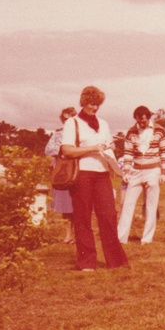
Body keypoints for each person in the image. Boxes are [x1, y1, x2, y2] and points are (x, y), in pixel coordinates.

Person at [60, 86, 128, 271]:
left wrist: (109, 149)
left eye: (98, 104)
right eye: (91, 103)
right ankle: (86, 262)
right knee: (82, 219)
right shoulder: (72, 123)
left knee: (108, 216)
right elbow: (66, 150)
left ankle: (115, 261)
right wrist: (92, 148)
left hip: (102, 174)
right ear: (83, 102)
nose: (95, 107)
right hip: (82, 174)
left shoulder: (104, 124)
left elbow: (106, 148)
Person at [117, 106, 165, 245]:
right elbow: (128, 153)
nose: (141, 124)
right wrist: (126, 171)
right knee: (128, 204)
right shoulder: (131, 132)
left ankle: (146, 239)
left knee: (151, 206)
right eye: (139, 121)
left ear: (149, 118)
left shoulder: (160, 131)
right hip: (135, 171)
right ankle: (121, 238)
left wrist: (164, 173)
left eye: (144, 121)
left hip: (153, 171)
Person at [45, 106, 78, 244]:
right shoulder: (58, 133)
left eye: (69, 118)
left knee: (78, 204)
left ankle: (77, 235)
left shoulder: (80, 133)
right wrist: (64, 150)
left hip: (76, 170)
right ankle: (68, 234)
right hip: (62, 170)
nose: (66, 121)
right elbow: (48, 150)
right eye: (64, 119)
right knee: (65, 206)